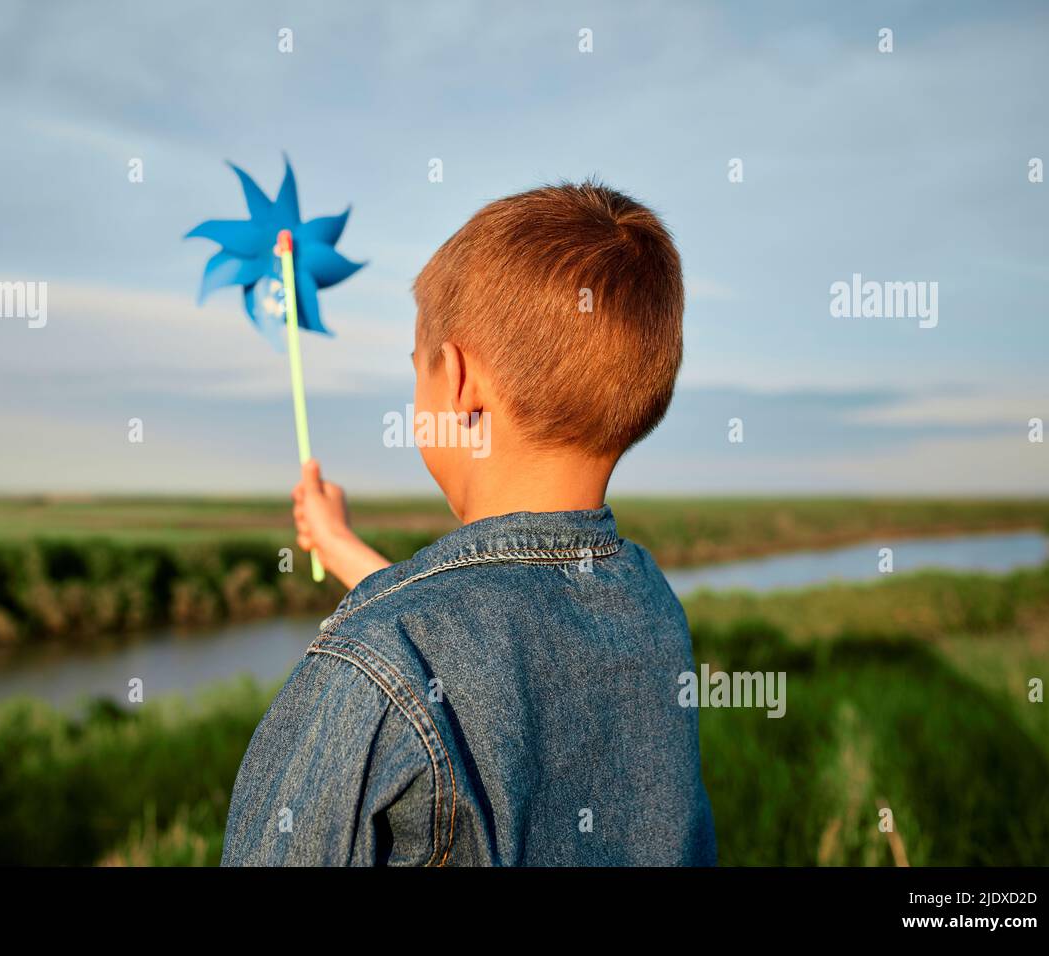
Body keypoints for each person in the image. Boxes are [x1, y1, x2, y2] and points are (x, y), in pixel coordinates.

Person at [221, 181, 716, 866]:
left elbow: (443, 654)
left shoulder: (373, 660)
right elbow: (493, 634)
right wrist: (339, 546)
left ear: (457, 384)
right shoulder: (649, 607)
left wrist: (372, 617)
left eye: (418, 372)